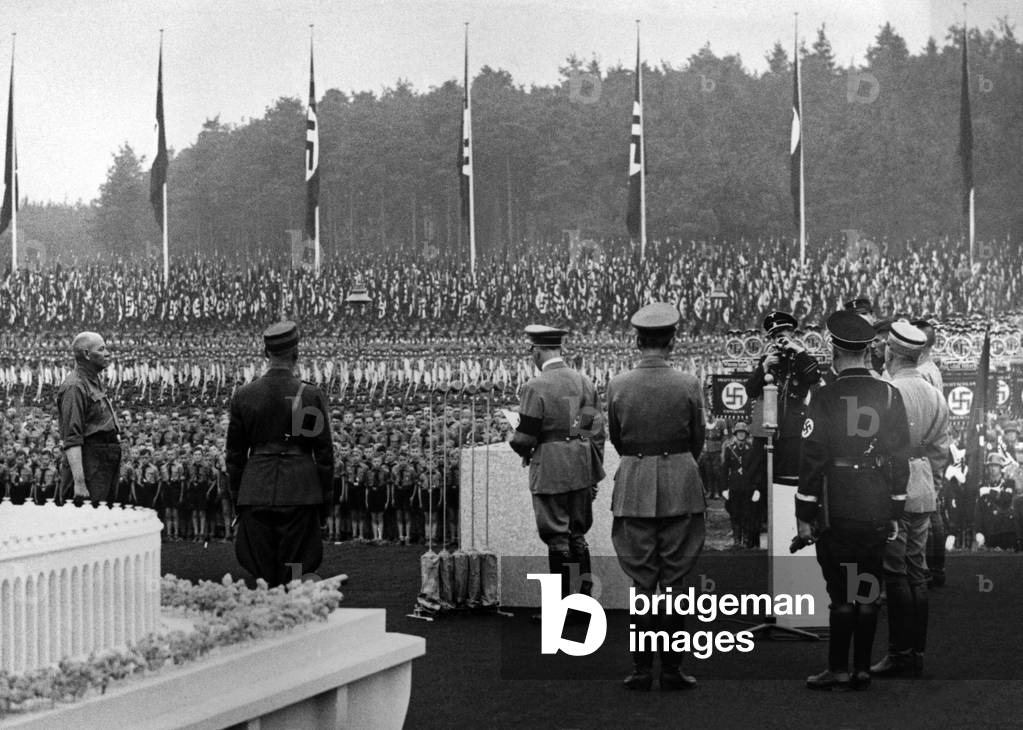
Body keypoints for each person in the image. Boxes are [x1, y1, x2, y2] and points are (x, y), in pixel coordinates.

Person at [796, 310, 911, 692]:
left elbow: (812, 456)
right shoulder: (889, 394)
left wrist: (804, 512)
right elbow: (899, 456)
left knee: (841, 593)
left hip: (839, 504)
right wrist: (896, 506)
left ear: (834, 350)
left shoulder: (825, 396)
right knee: (867, 588)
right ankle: (862, 667)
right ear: (867, 351)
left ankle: (837, 669)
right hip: (876, 503)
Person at [606, 303, 705, 692]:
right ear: (672, 341)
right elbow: (697, 436)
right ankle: (673, 670)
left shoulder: (617, 383)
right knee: (675, 582)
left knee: (643, 585)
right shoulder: (689, 383)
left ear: (637, 340)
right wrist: (677, 464)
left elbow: (617, 437)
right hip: (680, 483)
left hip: (635, 484)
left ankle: (642, 669)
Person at [226, 321, 334, 587]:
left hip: (256, 491)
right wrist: (324, 504)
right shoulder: (308, 395)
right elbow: (324, 456)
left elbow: (235, 456)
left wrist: (238, 498)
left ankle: (268, 607)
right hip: (300, 492)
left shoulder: (244, 395)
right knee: (296, 566)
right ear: (296, 354)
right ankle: (293, 609)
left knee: (262, 569)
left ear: (266, 354)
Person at [871, 321, 949, 678]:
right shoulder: (935, 393)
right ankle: (916, 652)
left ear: (892, 352)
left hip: (893, 488)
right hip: (924, 487)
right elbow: (941, 450)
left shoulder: (886, 390)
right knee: (918, 572)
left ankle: (899, 653)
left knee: (894, 572)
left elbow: (873, 444)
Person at [509, 323, 605, 606]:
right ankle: (582, 604)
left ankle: (562, 609)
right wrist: (592, 473)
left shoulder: (535, 386)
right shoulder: (583, 382)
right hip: (580, 465)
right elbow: (591, 431)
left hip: (550, 468)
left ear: (537, 351)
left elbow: (525, 436)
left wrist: (518, 445)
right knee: (578, 535)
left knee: (557, 538)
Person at [56, 331, 122, 506]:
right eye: (101, 349)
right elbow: (72, 438)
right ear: (86, 354)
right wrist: (79, 482)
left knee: (105, 518)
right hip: (90, 463)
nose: (108, 353)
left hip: (104, 460)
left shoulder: (93, 380)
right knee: (90, 518)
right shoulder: (75, 386)